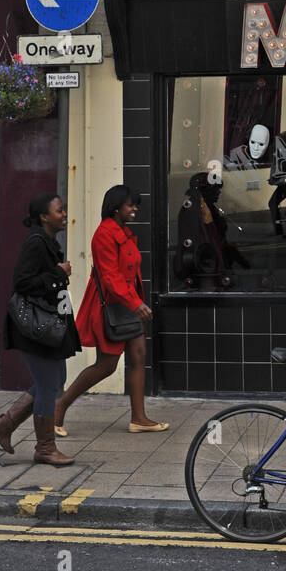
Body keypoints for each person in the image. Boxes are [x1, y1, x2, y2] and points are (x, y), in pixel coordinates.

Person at [53, 185, 169, 435]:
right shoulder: (104, 234)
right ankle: (58, 407)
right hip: (113, 305)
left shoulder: (121, 232)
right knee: (106, 365)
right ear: (116, 207)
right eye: (131, 205)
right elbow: (110, 278)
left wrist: (135, 302)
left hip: (129, 304)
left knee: (138, 357)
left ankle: (139, 418)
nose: (135, 209)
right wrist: (135, 303)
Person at [0, 192, 80, 466]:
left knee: (55, 379)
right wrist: (59, 274)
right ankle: (44, 448)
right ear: (44, 216)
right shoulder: (36, 243)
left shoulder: (48, 241)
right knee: (48, 384)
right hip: (35, 326)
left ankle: (6, 423)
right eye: (59, 210)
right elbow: (22, 283)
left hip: (48, 324)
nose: (64, 214)